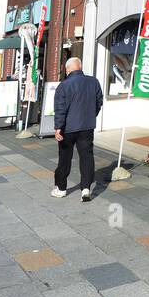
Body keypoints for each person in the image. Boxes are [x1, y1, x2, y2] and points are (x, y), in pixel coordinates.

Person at [52, 57, 102, 203]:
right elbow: (99, 101)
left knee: (65, 158)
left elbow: (60, 109)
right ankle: (86, 188)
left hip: (68, 128)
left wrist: (58, 128)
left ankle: (61, 189)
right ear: (80, 67)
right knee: (86, 156)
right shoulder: (93, 82)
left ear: (68, 69)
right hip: (87, 126)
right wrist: (91, 115)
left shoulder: (64, 85)